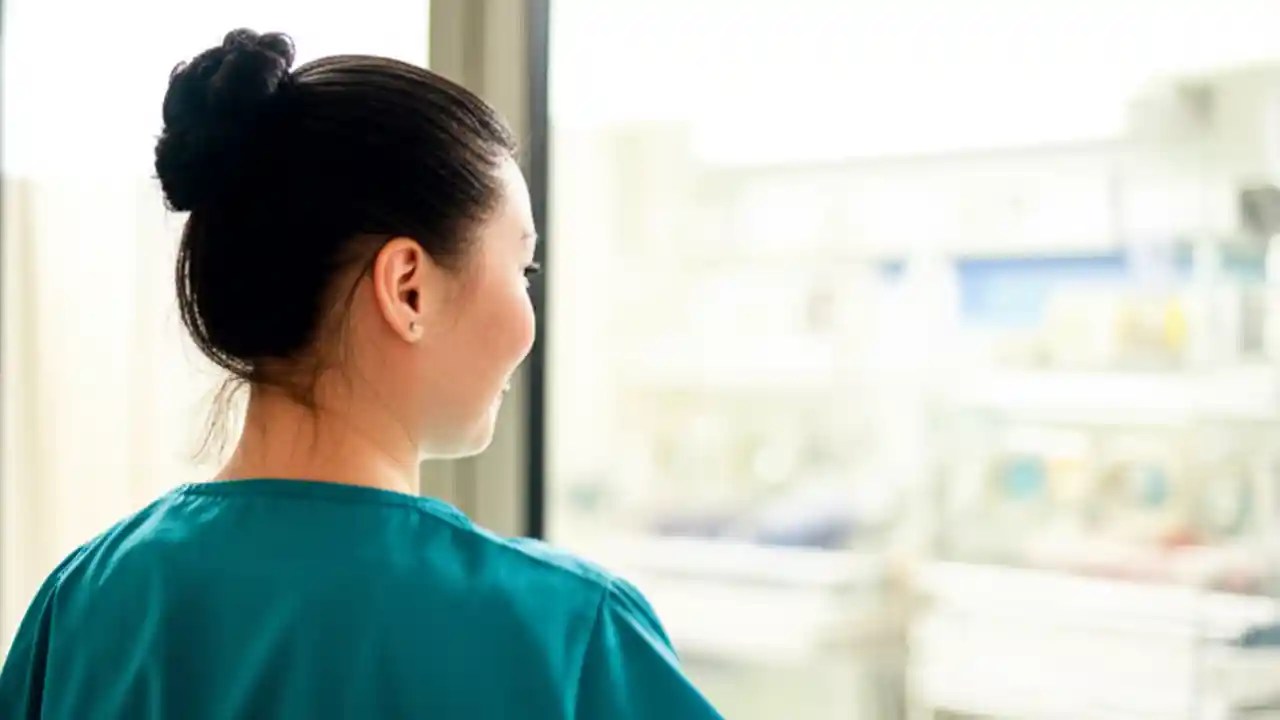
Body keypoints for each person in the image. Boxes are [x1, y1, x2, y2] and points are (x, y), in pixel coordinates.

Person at [0, 29, 723, 720]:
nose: (529, 320)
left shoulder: (82, 605)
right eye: (522, 269)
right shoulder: (568, 636)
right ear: (409, 287)